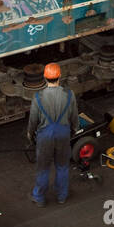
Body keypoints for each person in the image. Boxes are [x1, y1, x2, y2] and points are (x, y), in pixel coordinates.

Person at [27, 63, 80, 206]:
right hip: (63, 134)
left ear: (45, 77)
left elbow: (33, 120)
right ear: (60, 76)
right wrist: (73, 130)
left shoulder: (38, 97)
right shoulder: (69, 95)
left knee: (43, 168)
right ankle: (62, 196)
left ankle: (39, 198)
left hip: (45, 136)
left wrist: (30, 135)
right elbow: (74, 117)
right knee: (62, 167)